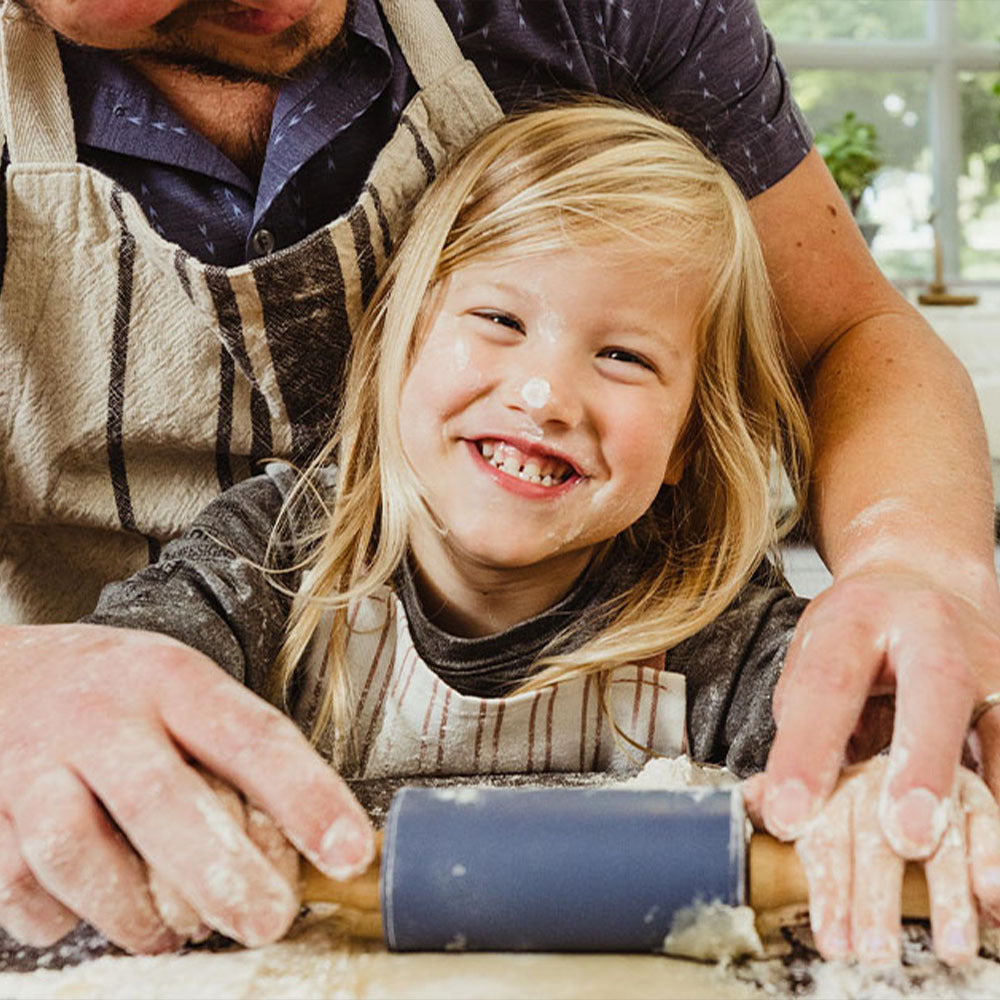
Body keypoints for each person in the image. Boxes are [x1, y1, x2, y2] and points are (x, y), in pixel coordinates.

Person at [1, 0, 999, 962]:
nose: (543, 393)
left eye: (623, 357)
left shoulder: (714, 626)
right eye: (499, 322)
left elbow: (828, 766)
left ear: (694, 434)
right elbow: (146, 668)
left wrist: (908, 650)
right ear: (389, 346)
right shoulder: (267, 559)